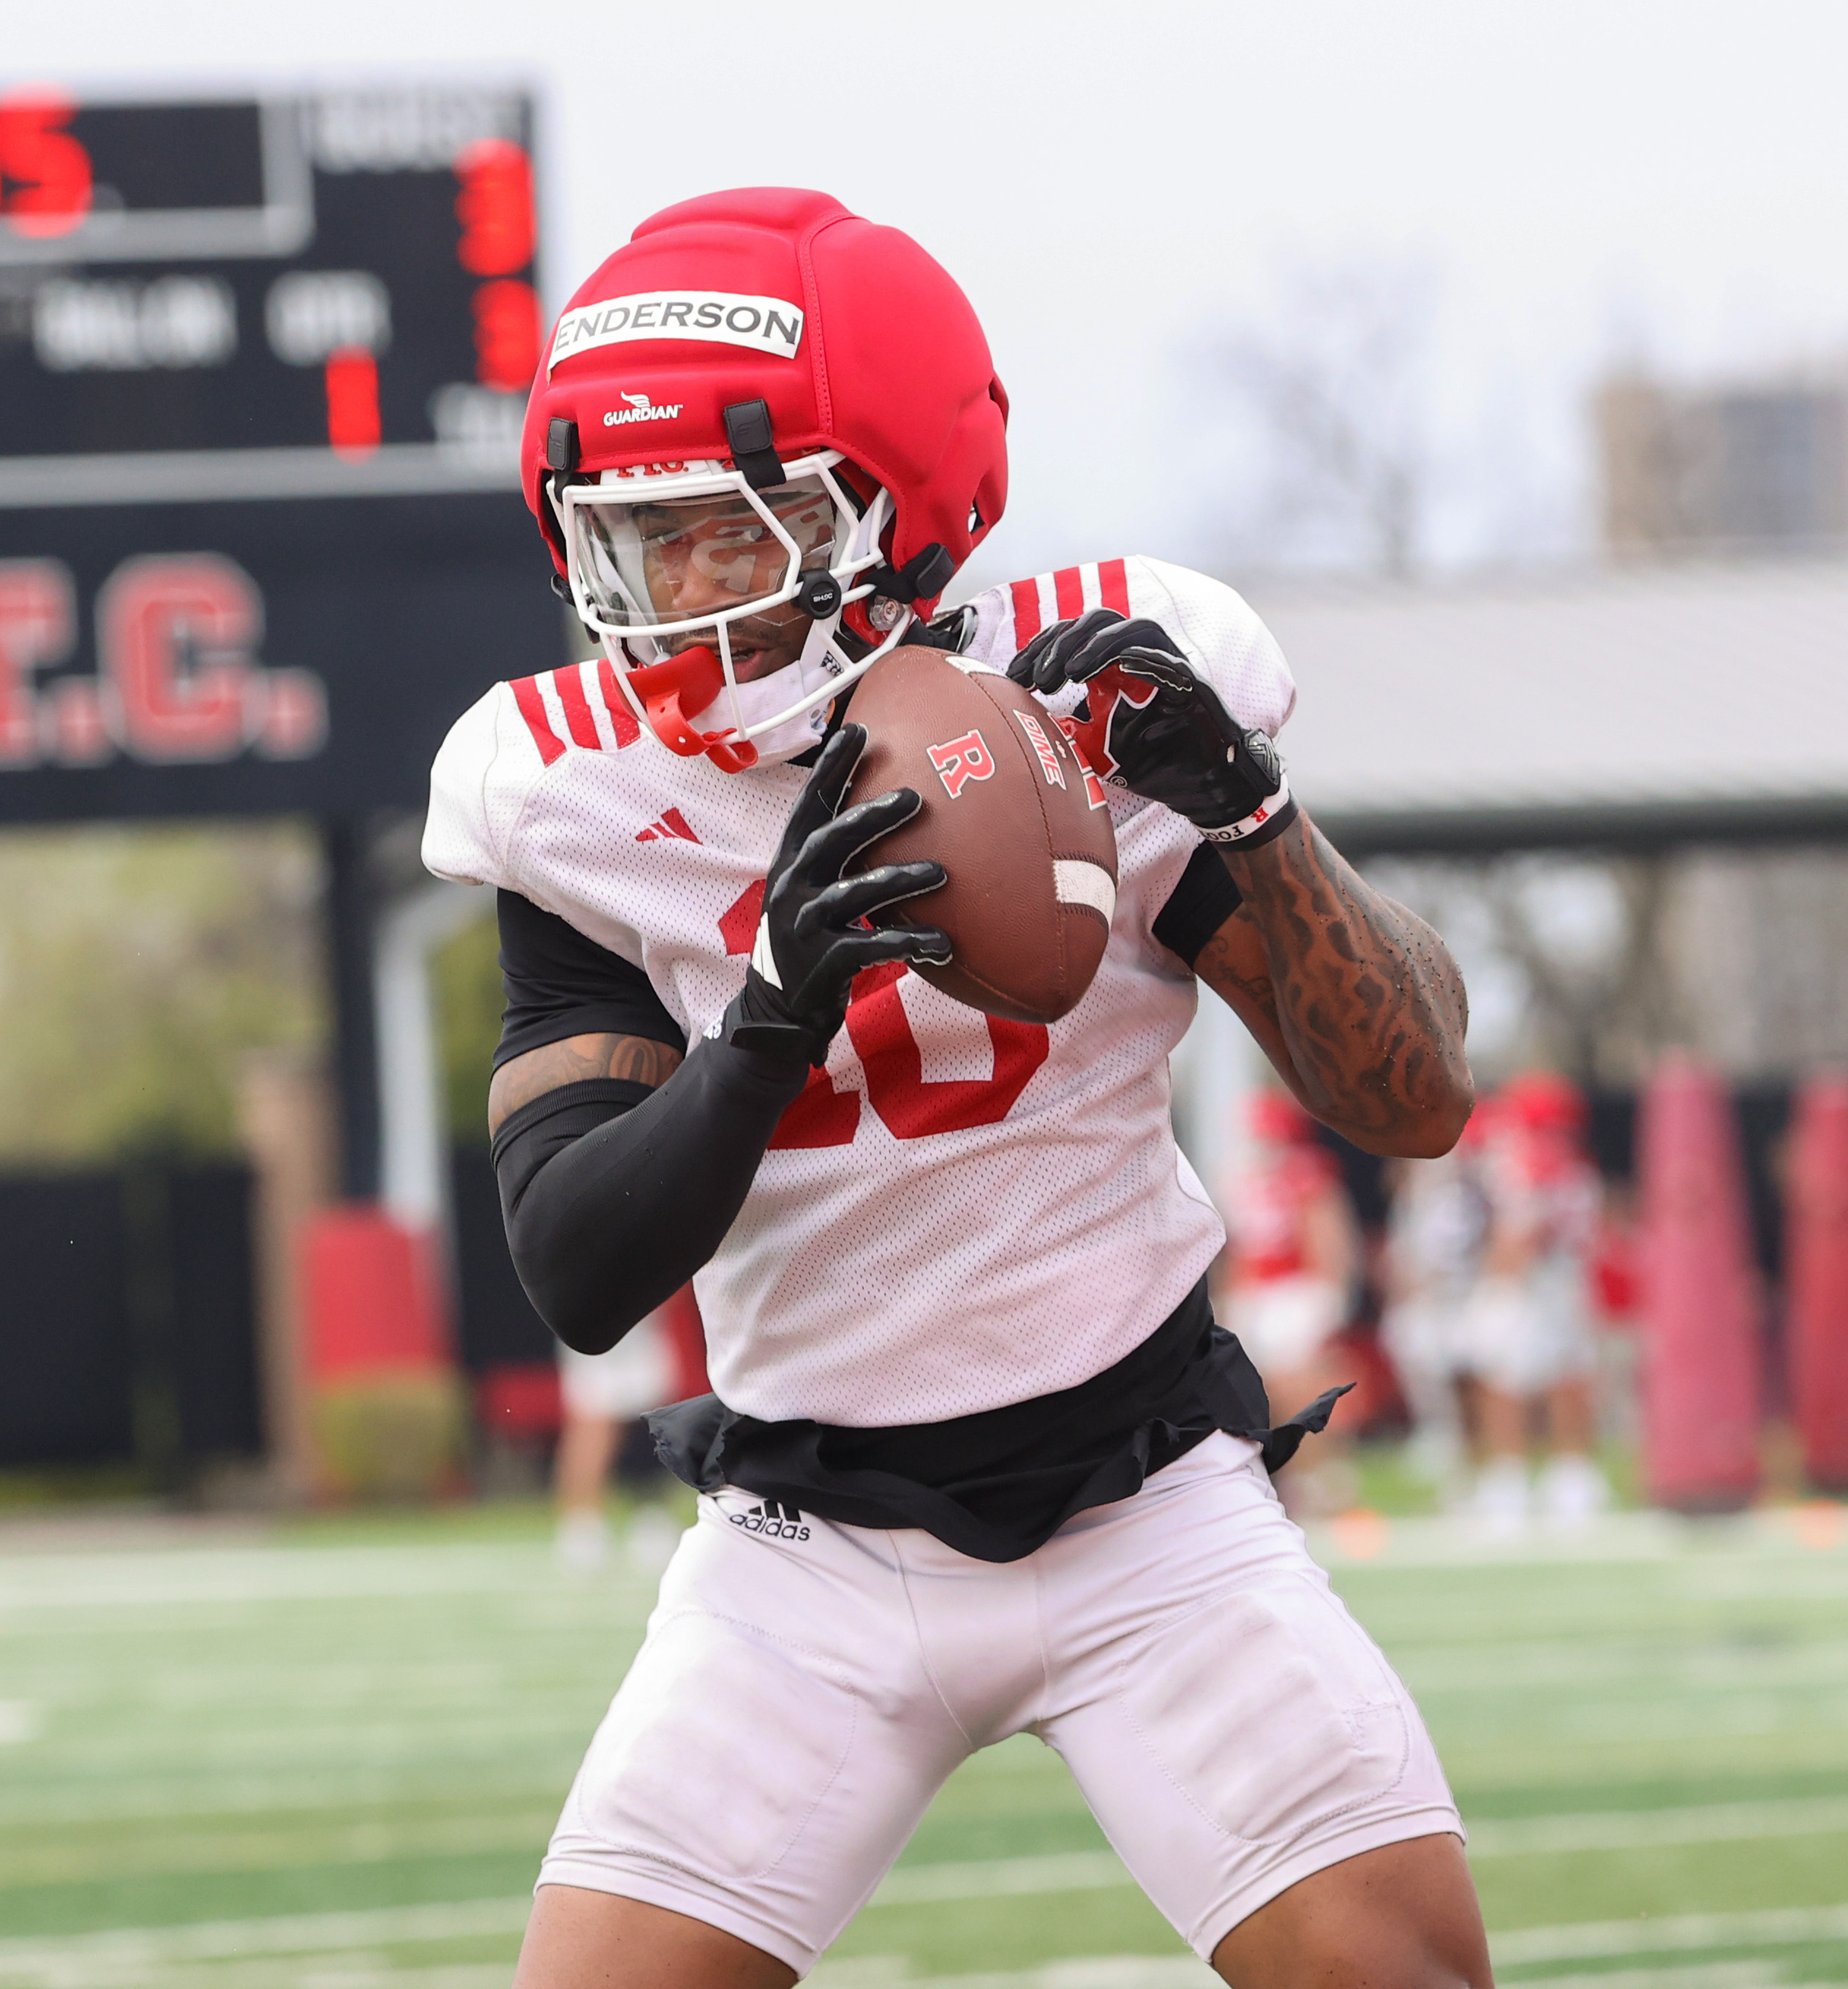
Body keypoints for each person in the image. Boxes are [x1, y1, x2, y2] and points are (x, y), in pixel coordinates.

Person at [424, 189, 1484, 1989]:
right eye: (626, 542)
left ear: (890, 512)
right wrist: (766, 1017)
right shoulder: (566, 792)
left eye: (714, 534)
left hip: (1147, 1506)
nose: (661, 600)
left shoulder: (1094, 685)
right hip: (801, 1556)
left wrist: (1247, 815)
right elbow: (578, 1268)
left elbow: (1414, 1094)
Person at [1460, 1071, 1608, 1527]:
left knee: (1504, 1379)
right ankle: (1569, 1479)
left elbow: (1519, 1233)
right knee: (1564, 1374)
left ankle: (1514, 1483)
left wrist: (1495, 1278)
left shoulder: (1531, 1159)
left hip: (1531, 1282)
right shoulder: (1571, 1162)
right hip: (1562, 1278)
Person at [1218, 1092, 1362, 1517]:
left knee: (1304, 1389)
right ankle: (1296, 1480)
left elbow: (1329, 1236)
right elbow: (1240, 1248)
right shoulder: (1244, 1179)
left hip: (1297, 1290)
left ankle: (1328, 1480)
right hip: (1257, 1295)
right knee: (1264, 1393)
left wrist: (1329, 1296)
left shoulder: (1307, 1174)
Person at [1380, 1136, 1491, 1503]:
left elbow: (1462, 1247)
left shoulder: (1460, 1192)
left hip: (1462, 1297)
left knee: (1468, 1379)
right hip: (1430, 1300)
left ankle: (1482, 1467)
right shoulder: (1415, 1196)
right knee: (1414, 1348)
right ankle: (1441, 1434)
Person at [554, 1294, 687, 1572]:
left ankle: (650, 1514)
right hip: (596, 1306)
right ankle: (582, 1525)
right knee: (595, 1415)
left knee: (652, 1414)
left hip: (640, 1319)